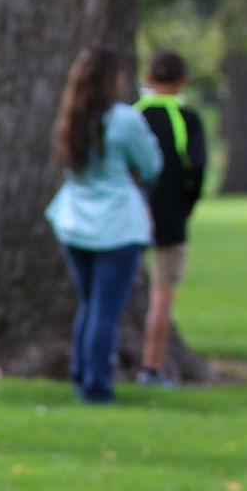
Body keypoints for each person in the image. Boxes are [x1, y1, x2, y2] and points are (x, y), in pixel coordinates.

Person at [44, 44, 163, 404]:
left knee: (89, 303)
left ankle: (81, 372)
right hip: (117, 225)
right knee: (105, 310)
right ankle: (96, 386)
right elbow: (151, 165)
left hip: (75, 221)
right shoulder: (123, 120)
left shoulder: (70, 117)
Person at [133, 50, 208, 388]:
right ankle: (151, 367)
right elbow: (197, 166)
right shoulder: (186, 118)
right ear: (184, 81)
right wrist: (189, 202)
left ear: (148, 78)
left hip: (130, 213)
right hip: (171, 215)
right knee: (161, 295)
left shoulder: (134, 116)